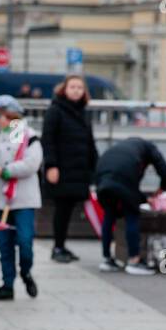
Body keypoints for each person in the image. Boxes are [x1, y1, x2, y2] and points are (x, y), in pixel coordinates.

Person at [0, 95, 43, 300]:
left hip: (23, 199)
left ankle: (26, 272)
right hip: (1, 198)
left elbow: (30, 164)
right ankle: (7, 284)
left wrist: (4, 170)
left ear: (10, 115)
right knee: (5, 245)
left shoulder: (24, 134)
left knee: (25, 242)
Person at [94, 137, 166, 275]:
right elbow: (164, 171)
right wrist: (163, 189)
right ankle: (134, 261)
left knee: (109, 214)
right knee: (132, 214)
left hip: (102, 174)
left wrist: (142, 198)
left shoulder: (125, 147)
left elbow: (130, 189)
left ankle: (107, 259)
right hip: (123, 175)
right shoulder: (149, 149)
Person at [41, 74, 99, 263]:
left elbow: (89, 142)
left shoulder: (83, 112)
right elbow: (48, 140)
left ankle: (62, 245)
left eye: (79, 88)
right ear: (64, 89)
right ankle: (57, 247)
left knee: (68, 209)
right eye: (72, 87)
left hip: (78, 170)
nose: (76, 90)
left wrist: (95, 167)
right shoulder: (55, 110)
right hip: (61, 169)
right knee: (62, 209)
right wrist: (51, 165)